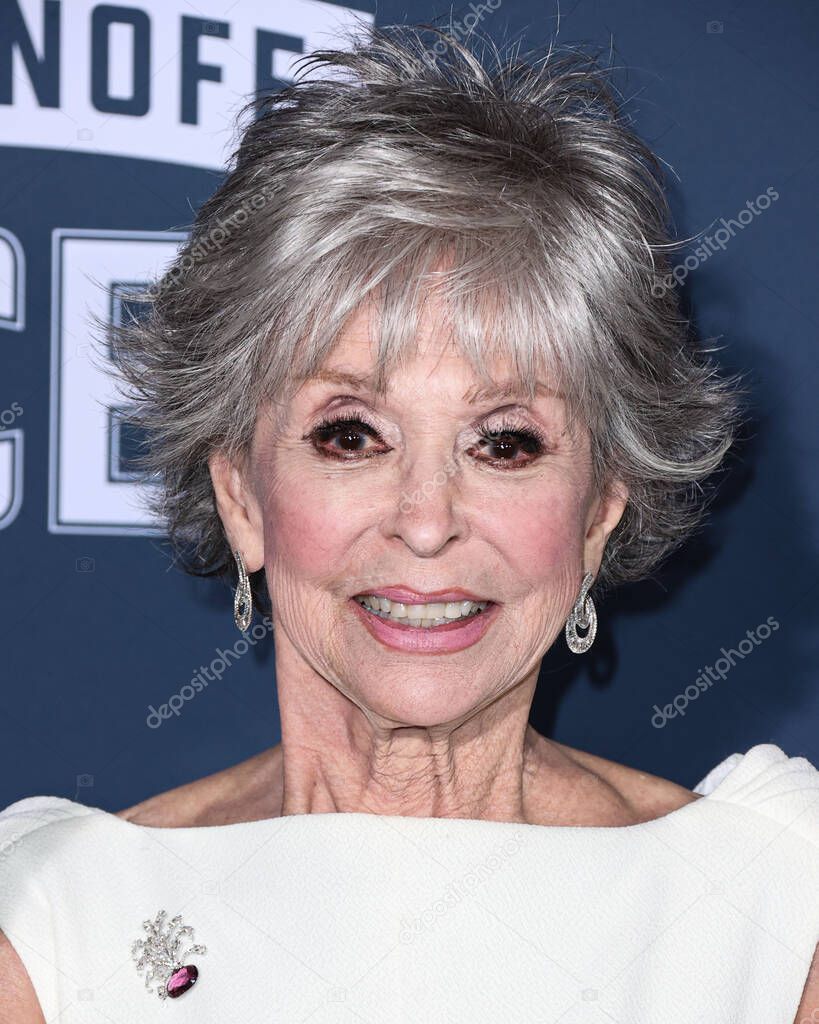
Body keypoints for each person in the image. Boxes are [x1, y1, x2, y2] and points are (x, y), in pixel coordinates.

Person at [1, 22, 816, 1023]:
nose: (427, 522)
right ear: (242, 497)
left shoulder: (774, 910)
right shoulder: (53, 926)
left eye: (505, 441)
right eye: (351, 434)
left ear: (601, 510)